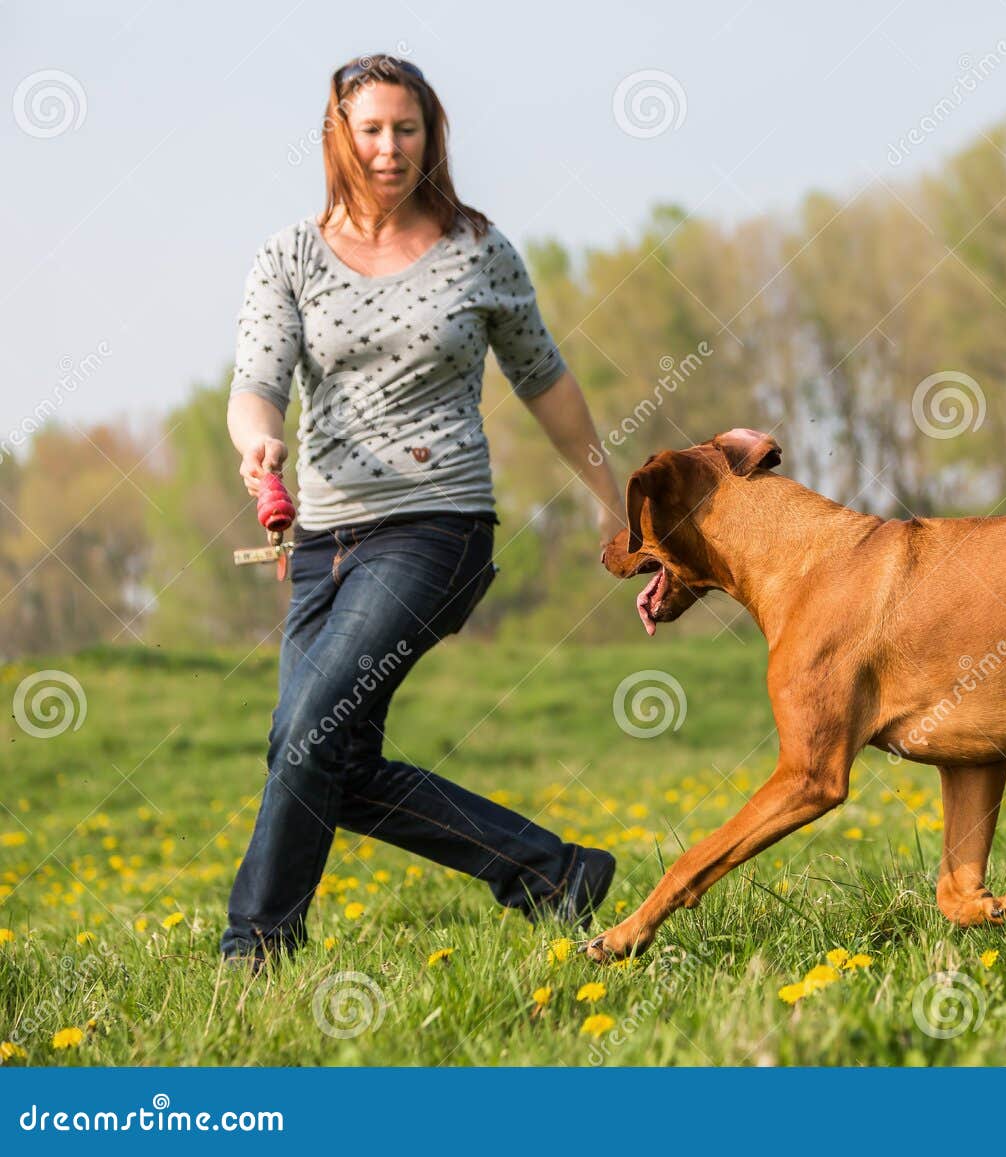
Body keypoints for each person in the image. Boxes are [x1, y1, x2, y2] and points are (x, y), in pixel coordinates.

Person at [220, 53, 624, 965]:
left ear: (431, 135)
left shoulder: (478, 250)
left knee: (312, 733)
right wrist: (258, 445)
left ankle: (254, 943)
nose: (390, 148)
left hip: (437, 527)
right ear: (339, 136)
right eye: (371, 129)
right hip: (323, 540)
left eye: (407, 129)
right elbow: (255, 387)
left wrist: (609, 496)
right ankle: (550, 872)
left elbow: (546, 382)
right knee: (318, 756)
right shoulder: (288, 254)